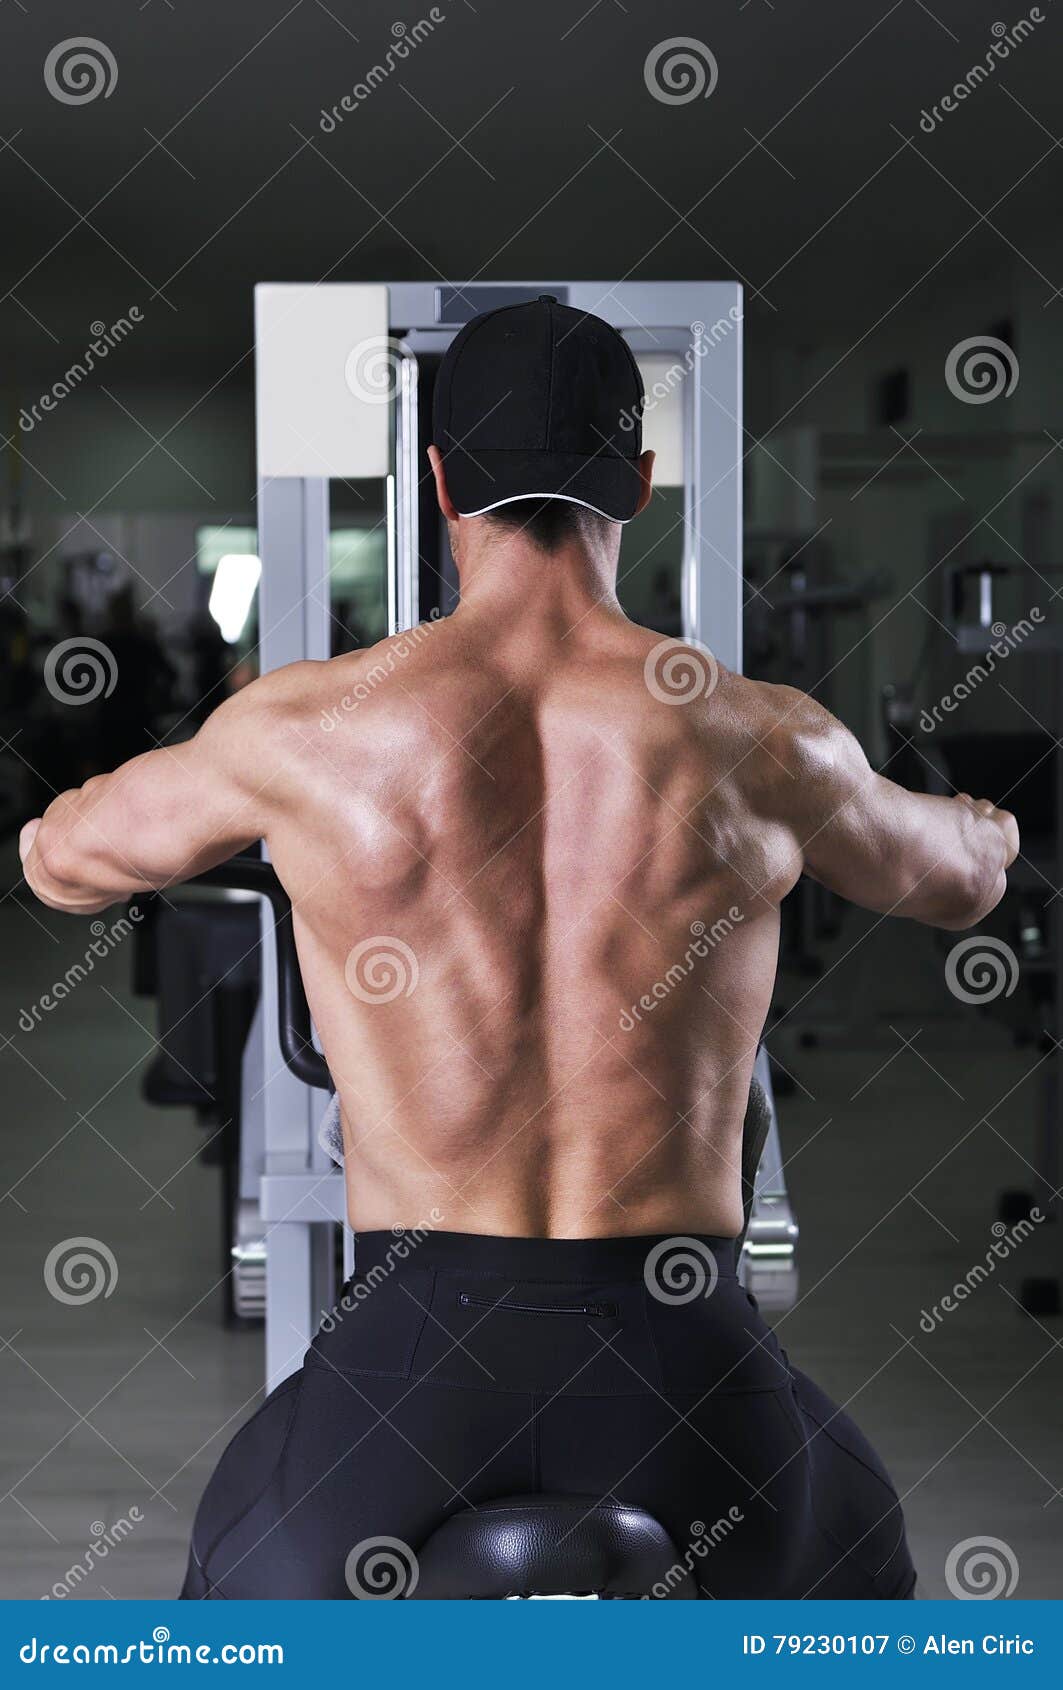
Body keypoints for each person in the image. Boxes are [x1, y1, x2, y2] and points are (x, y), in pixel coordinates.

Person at [20, 298, 1018, 1600]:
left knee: (238, 1605)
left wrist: (232, 821)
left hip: (413, 1362)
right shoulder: (767, 739)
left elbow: (59, 861)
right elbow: (959, 881)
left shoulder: (311, 730)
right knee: (860, 1586)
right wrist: (979, 820)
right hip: (684, 1354)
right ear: (642, 482)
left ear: (439, 480)